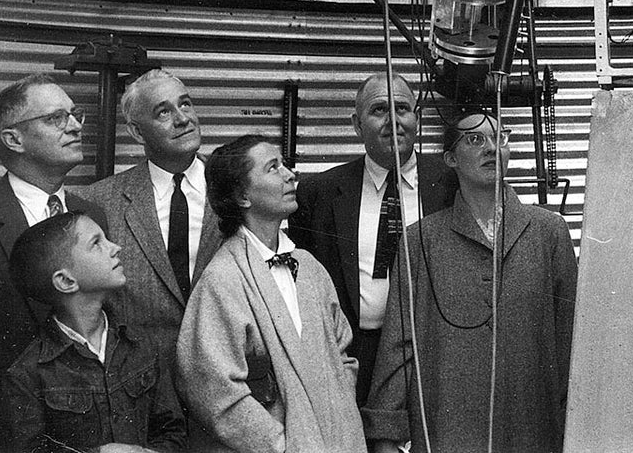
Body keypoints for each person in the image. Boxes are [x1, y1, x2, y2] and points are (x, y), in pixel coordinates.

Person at [363, 111, 577, 453]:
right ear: (450, 158)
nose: (492, 148)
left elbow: (572, 343)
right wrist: (385, 434)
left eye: (500, 138)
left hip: (534, 429)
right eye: (475, 140)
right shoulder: (420, 242)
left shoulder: (548, 232)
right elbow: (400, 345)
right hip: (449, 431)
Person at [176, 135, 367, 453]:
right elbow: (211, 387)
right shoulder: (222, 280)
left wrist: (340, 413)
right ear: (242, 196)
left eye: (285, 164)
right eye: (272, 167)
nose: (290, 174)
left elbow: (343, 355)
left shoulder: (309, 266)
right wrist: (280, 444)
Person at [0, 74, 106, 452]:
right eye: (56, 118)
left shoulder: (92, 214)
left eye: (76, 114)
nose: (75, 126)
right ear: (13, 139)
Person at [289, 73, 456, 404]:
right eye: (379, 110)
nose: (394, 121)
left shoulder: (453, 184)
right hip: (356, 355)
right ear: (356, 123)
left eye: (403, 109)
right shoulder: (317, 193)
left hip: (435, 354)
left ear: (418, 119)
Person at [4, 212, 186, 453]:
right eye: (96, 243)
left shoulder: (142, 345)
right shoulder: (27, 373)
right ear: (66, 281)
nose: (116, 247)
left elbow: (173, 430)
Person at [84, 69, 222, 359]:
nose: (183, 118)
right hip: (143, 383)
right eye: (163, 112)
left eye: (185, 104)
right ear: (136, 132)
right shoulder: (100, 201)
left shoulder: (234, 186)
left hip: (230, 374)